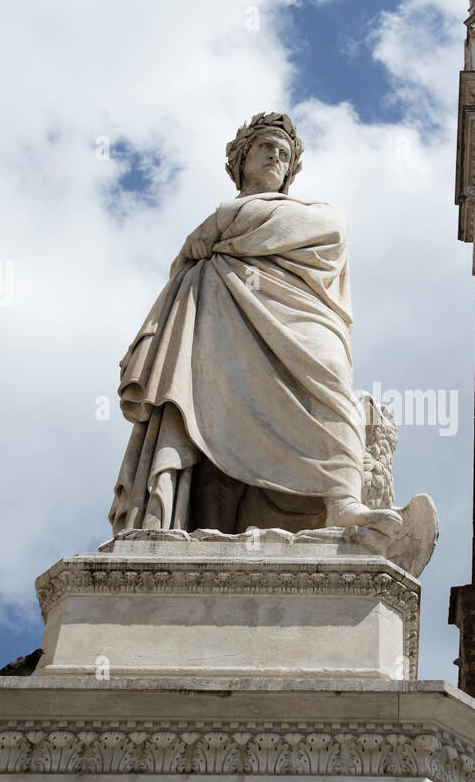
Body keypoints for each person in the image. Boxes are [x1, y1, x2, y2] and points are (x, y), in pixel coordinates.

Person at [108, 113, 402, 536]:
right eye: (265, 148)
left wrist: (225, 224)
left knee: (331, 382)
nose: (275, 157)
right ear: (241, 159)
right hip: (220, 316)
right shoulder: (214, 241)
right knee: (210, 405)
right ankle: (200, 521)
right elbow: (184, 263)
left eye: (283, 154)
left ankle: (342, 501)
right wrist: (223, 231)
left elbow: (330, 234)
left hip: (302, 314)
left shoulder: (314, 214)